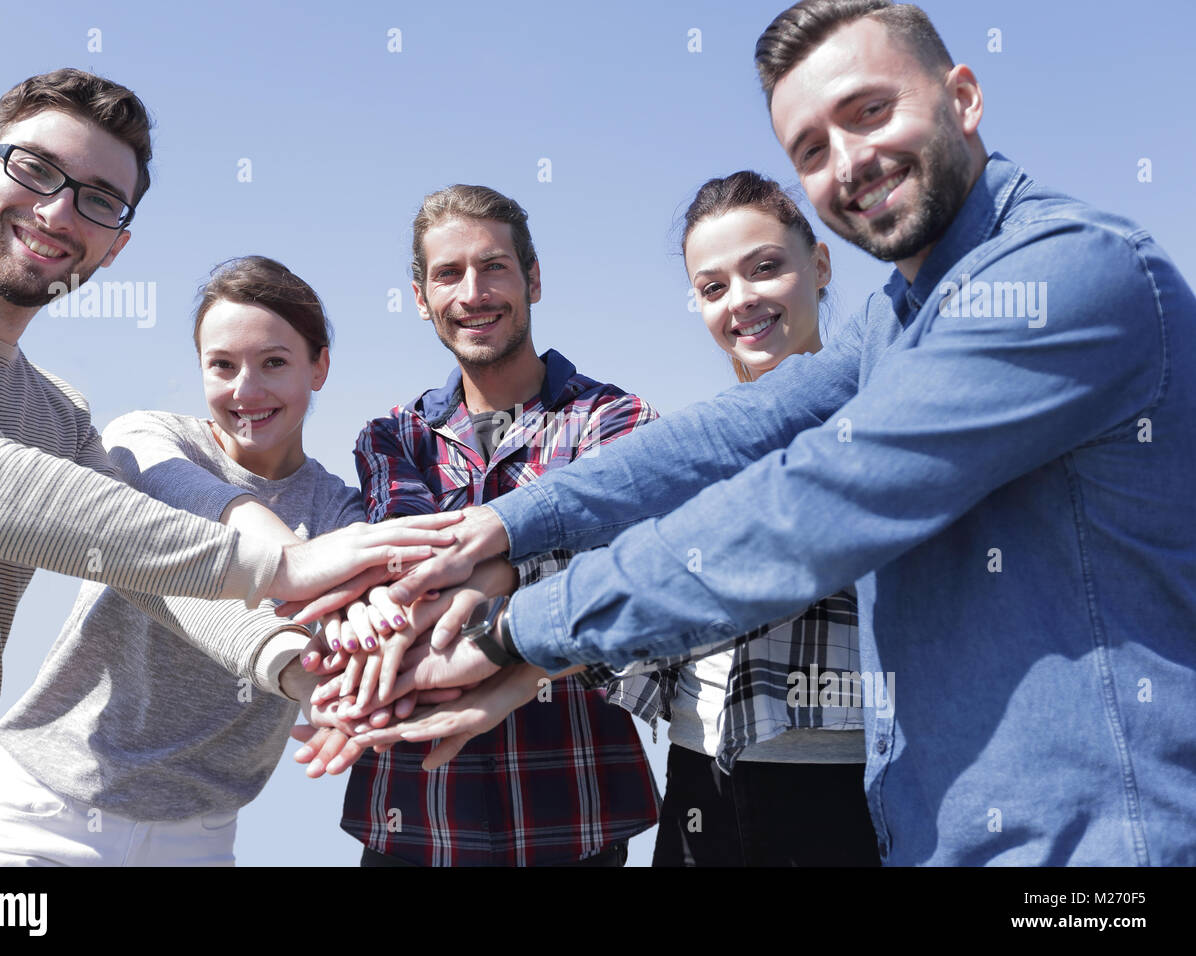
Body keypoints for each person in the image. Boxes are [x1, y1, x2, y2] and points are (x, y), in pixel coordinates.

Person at [348, 0, 1196, 866]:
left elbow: (812, 505)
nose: (850, 162)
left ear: (965, 98)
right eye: (812, 150)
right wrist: (500, 526)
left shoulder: (1064, 275)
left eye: (870, 111)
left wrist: (512, 632)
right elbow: (731, 432)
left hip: (1103, 856)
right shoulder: (895, 320)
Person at [0, 70, 456, 867]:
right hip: (37, 819)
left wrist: (300, 670)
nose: (58, 211)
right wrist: (282, 560)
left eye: (97, 198)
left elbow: (156, 574)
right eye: (34, 169)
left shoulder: (56, 415)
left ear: (116, 245)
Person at [313, 185, 662, 867]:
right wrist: (539, 562)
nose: (474, 292)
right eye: (449, 273)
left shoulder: (615, 420)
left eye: (494, 267)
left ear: (532, 279)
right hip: (415, 818)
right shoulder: (394, 437)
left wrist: (493, 578)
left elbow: (620, 573)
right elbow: (412, 573)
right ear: (420, 298)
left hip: (573, 815)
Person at [606, 170, 877, 866]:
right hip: (702, 781)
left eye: (765, 268)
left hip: (842, 785)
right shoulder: (693, 450)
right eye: (714, 286)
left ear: (819, 265)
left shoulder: (884, 424)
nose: (742, 301)